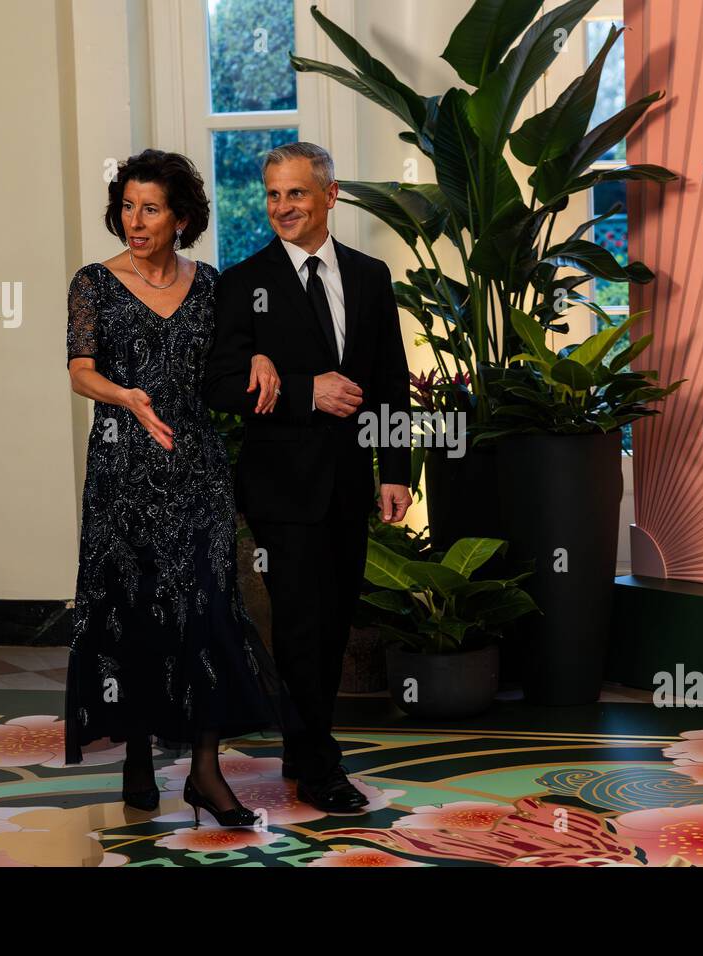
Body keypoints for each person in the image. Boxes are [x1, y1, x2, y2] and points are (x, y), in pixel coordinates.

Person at [62, 149, 296, 828]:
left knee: (207, 612)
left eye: (151, 208)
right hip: (123, 472)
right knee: (134, 612)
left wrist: (254, 353)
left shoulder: (212, 283)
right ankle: (137, 752)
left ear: (181, 217)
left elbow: (232, 354)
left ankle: (204, 769)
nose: (135, 220)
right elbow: (79, 370)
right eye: (128, 206)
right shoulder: (93, 283)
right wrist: (127, 399)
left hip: (197, 470)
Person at [204, 142, 413, 814]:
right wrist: (304, 392)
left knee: (331, 625)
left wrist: (396, 471)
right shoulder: (242, 283)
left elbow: (390, 384)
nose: (282, 208)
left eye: (295, 193)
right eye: (272, 194)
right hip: (280, 488)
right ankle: (322, 767)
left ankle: (301, 744)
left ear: (331, 194)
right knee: (299, 624)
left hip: (350, 484)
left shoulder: (372, 275)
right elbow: (219, 385)